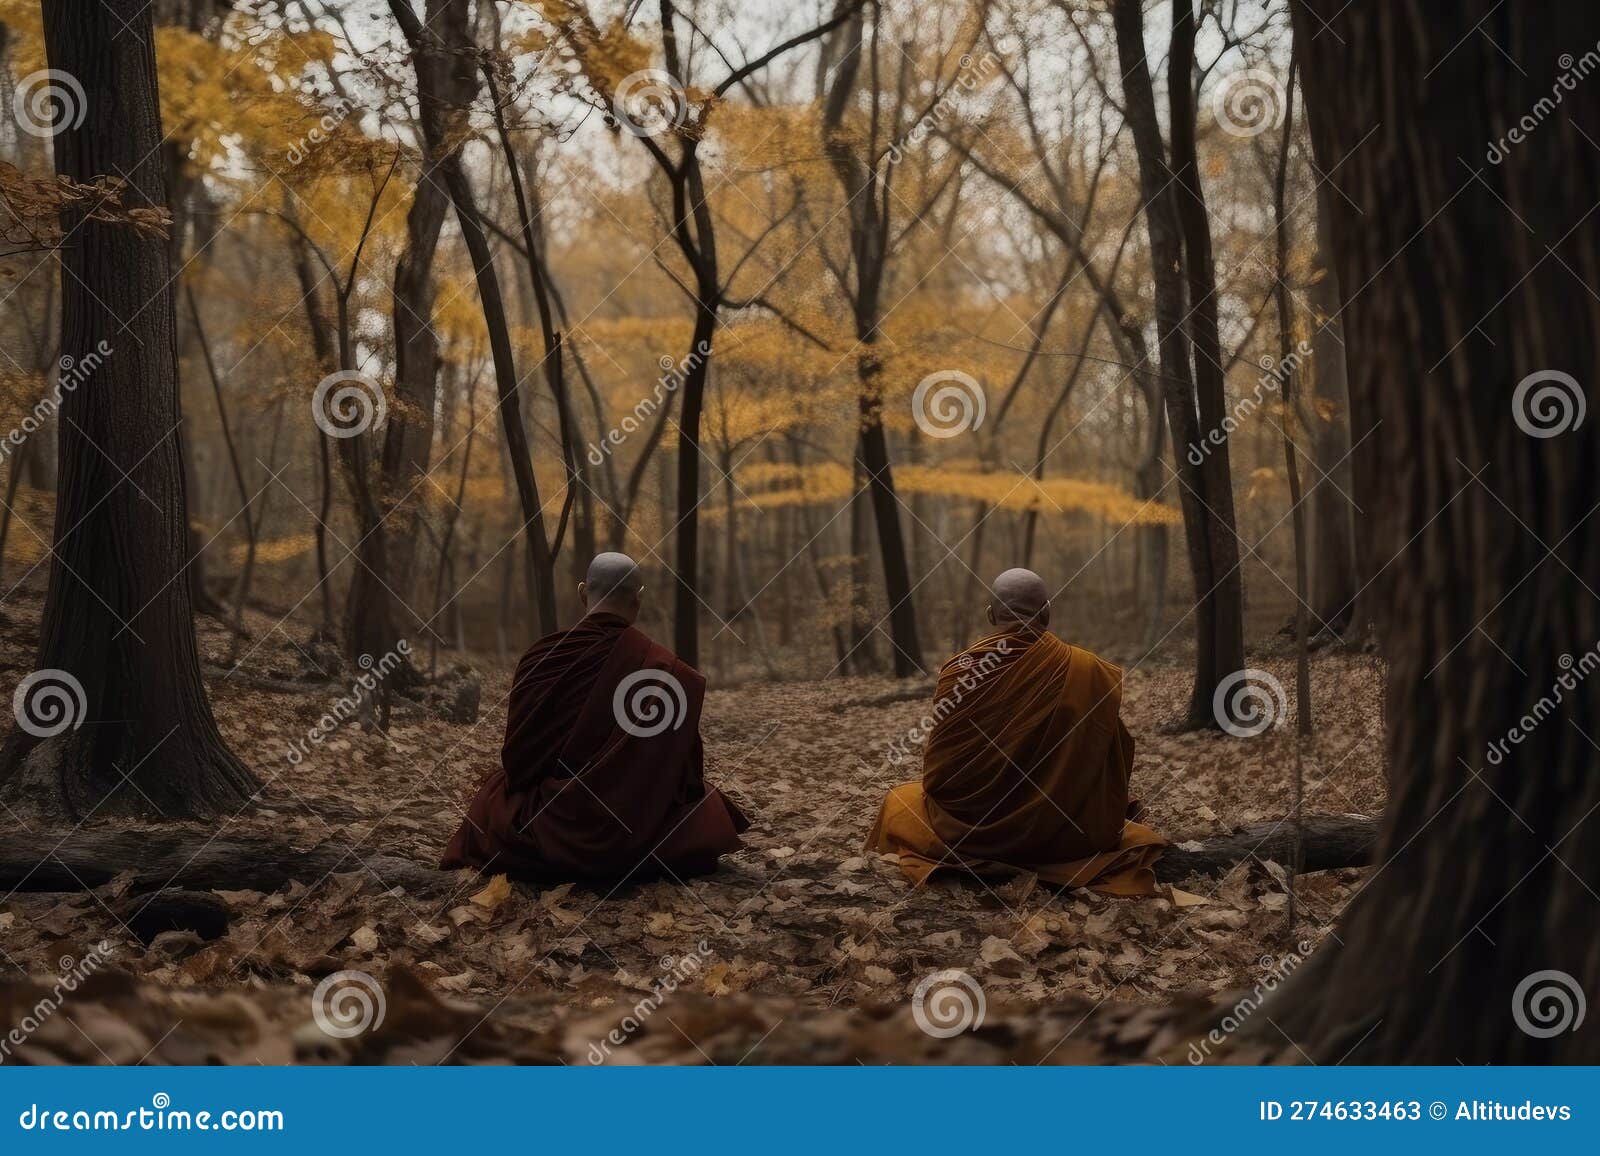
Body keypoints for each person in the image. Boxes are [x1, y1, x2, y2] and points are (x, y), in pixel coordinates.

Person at [441, 552, 748, 881]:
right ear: (638, 599)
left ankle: (552, 857)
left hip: (551, 820)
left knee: (492, 797)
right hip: (636, 827)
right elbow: (685, 777)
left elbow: (518, 765)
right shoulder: (666, 671)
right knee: (707, 808)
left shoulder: (542, 658)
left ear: (583, 593)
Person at [866, 567, 1166, 895]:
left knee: (899, 801)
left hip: (973, 836)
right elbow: (1114, 758)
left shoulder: (961, 670)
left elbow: (939, 779)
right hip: (1068, 837)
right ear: (1047, 612)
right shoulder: (1087, 670)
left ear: (991, 614)